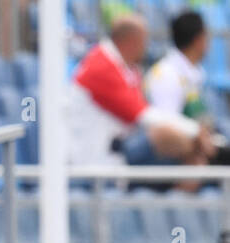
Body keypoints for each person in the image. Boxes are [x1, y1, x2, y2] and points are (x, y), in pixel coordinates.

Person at [67, 12, 216, 179]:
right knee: (168, 137)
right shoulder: (101, 66)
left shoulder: (124, 66)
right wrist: (195, 130)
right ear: (131, 42)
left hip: (115, 150)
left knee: (189, 152)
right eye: (144, 41)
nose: (147, 47)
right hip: (96, 159)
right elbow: (141, 114)